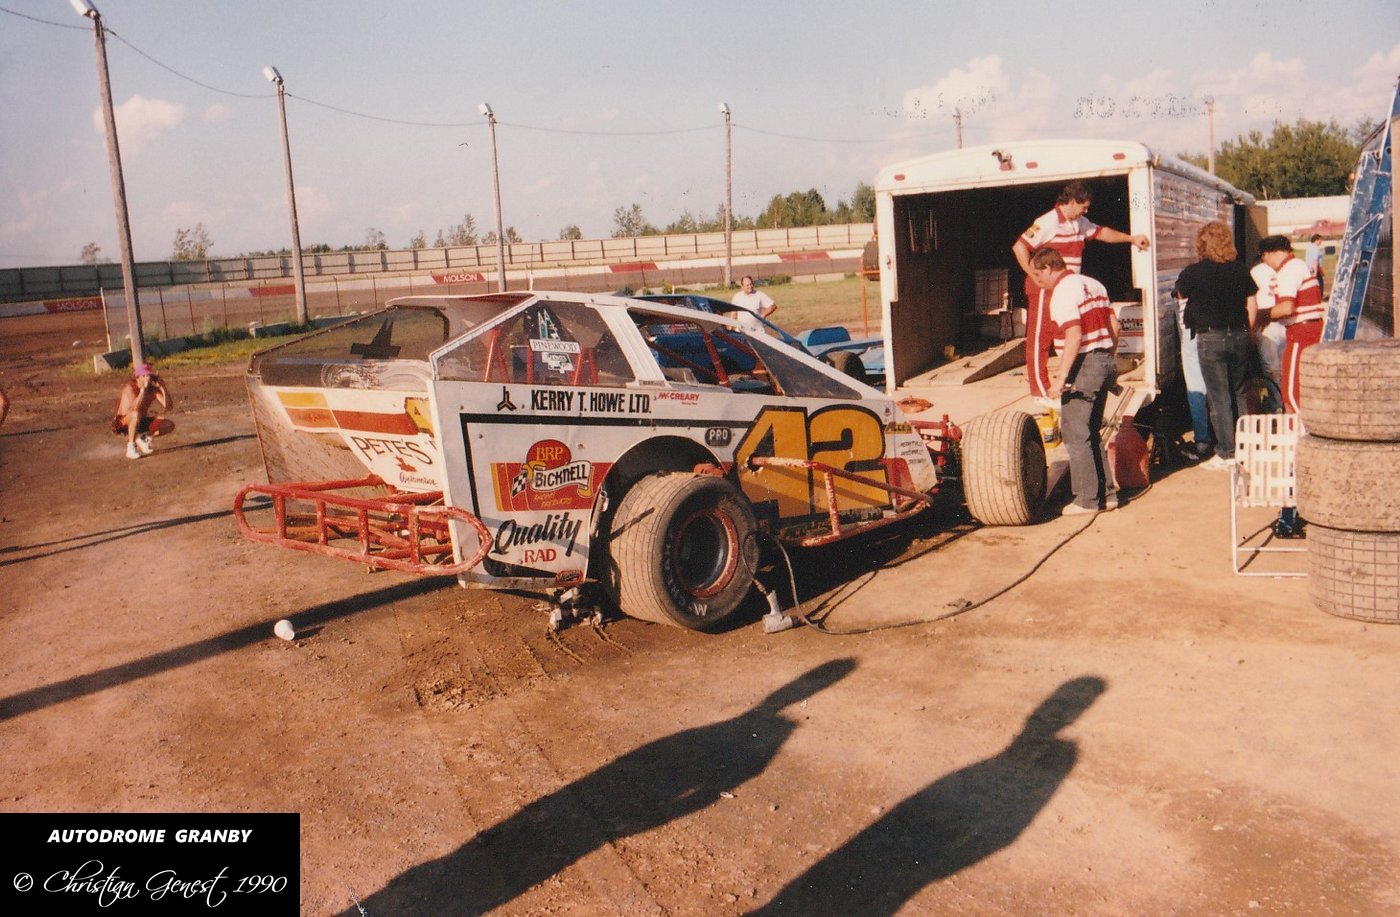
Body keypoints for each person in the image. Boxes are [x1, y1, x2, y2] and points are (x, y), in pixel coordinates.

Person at [1013, 181, 1149, 403]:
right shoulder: (1047, 222)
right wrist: (1035, 276)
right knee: (1040, 338)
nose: (1086, 211)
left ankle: (1062, 383)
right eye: (1083, 206)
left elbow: (1102, 233)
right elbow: (1019, 247)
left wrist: (1131, 239)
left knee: (1065, 335)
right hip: (1045, 288)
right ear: (1072, 201)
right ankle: (1040, 391)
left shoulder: (1079, 222)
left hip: (1067, 288)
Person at [1027, 247, 1120, 514]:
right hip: (1103, 360)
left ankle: (1087, 500)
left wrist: (1061, 376)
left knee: (1075, 433)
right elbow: (1115, 327)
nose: (1037, 280)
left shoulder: (1062, 293)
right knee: (1091, 431)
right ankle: (1107, 494)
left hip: (1084, 363)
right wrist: (1107, 358)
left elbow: (1074, 335)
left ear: (1048, 268)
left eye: (1037, 274)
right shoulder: (1094, 284)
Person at [1172, 222, 1258, 470]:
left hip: (1210, 337)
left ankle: (1227, 453)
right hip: (1239, 334)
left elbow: (1180, 295)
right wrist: (1248, 332)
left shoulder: (1193, 272)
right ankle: (1247, 447)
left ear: (1202, 245)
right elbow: (1251, 304)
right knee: (1240, 391)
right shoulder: (1240, 270)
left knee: (1219, 396)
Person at [1258, 235, 1325, 414]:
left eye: (1264, 259)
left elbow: (1287, 308)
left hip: (1300, 331)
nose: (1266, 264)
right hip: (1310, 329)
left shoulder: (1287, 270)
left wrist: (1263, 315)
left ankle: (1299, 434)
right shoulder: (1299, 265)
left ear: (1268, 254)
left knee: (1291, 394)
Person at [111, 363, 174, 460]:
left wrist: (163, 387)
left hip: (139, 421)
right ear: (137, 377)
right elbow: (133, 409)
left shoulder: (152, 390)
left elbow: (169, 407)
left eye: (148, 376)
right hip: (124, 423)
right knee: (136, 414)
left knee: (168, 424)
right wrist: (142, 391)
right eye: (144, 376)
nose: (147, 379)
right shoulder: (130, 389)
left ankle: (143, 438)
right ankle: (131, 447)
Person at [1248, 257, 1286, 413]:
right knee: (1282, 367)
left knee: (1271, 369)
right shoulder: (1284, 269)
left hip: (1264, 323)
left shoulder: (1255, 271)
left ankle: (1276, 404)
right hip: (1283, 321)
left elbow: (1251, 301)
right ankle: (1283, 403)